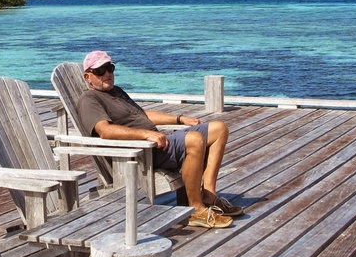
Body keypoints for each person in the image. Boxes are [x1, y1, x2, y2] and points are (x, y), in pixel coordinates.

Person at [77, 50, 243, 228]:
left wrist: (179, 118)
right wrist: (146, 134)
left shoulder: (116, 92)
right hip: (140, 154)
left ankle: (208, 195)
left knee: (219, 129)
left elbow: (143, 115)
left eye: (110, 68)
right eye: (100, 71)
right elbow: (105, 130)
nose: (107, 74)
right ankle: (195, 210)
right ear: (88, 76)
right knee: (194, 139)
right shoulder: (89, 98)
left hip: (157, 143)